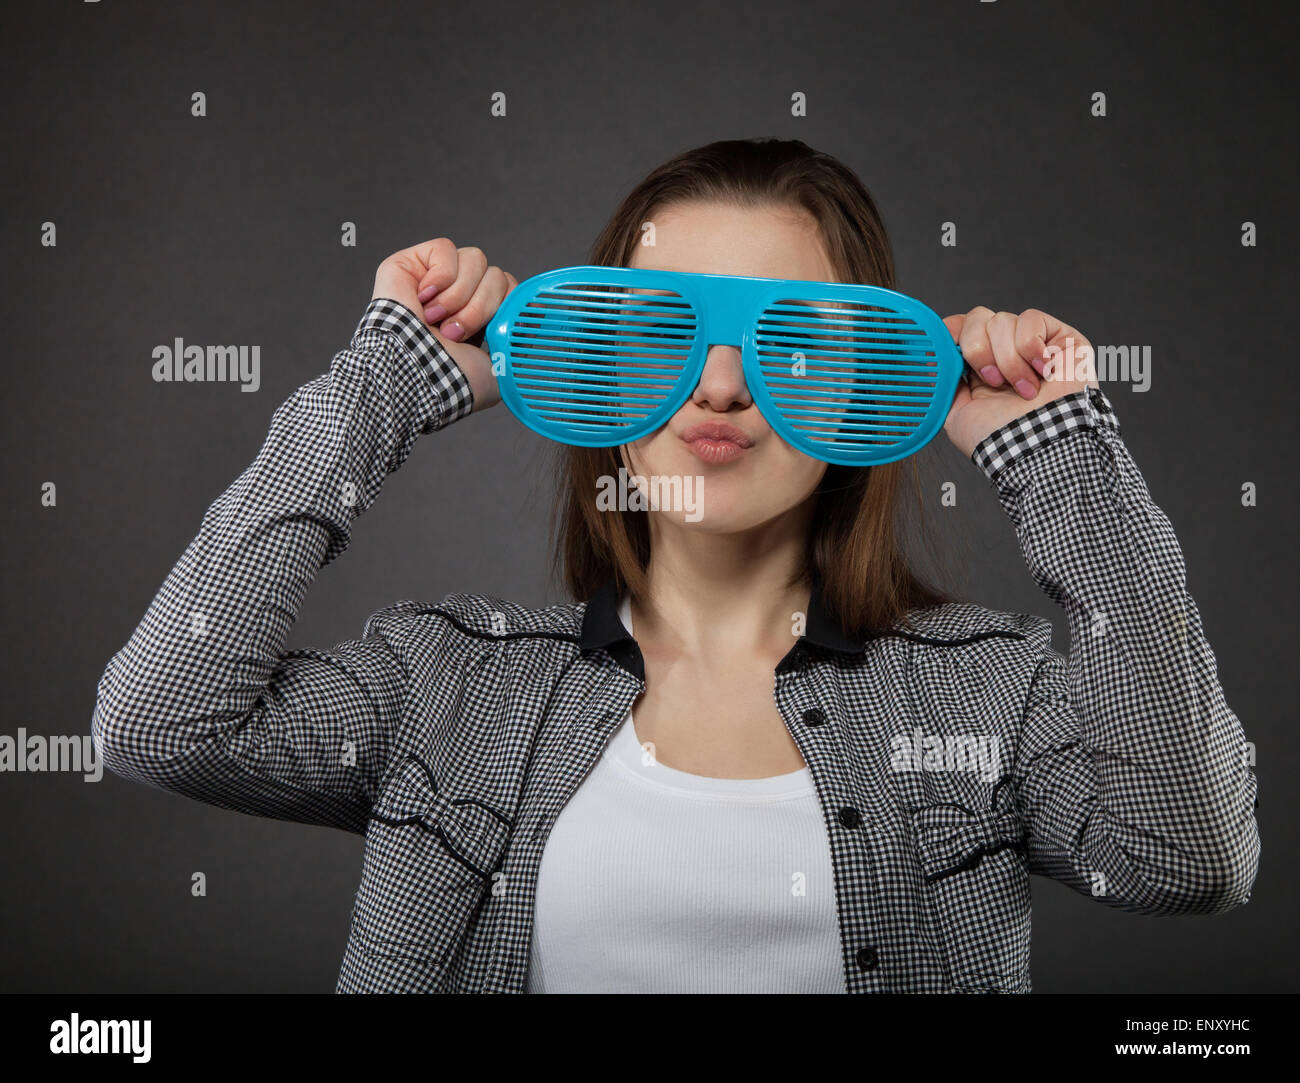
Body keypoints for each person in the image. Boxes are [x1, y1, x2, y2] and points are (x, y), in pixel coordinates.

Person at [91, 138, 1259, 994]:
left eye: (786, 338)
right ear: (597, 368)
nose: (718, 385)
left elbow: (1187, 856)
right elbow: (161, 725)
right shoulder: (444, 685)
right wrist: (380, 388)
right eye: (660, 329)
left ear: (859, 384)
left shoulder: (984, 701)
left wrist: (1059, 458)